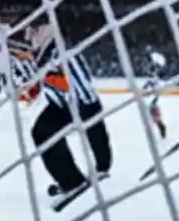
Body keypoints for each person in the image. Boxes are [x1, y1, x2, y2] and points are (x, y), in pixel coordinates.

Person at [19, 16, 113, 210]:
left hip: (80, 102)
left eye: (34, 31)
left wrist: (86, 106)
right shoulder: (41, 55)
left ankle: (102, 167)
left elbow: (83, 85)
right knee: (41, 132)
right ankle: (70, 181)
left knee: (93, 127)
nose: (29, 37)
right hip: (60, 105)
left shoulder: (62, 52)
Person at [141, 51, 170, 139]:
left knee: (154, 112)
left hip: (154, 98)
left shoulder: (156, 77)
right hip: (153, 97)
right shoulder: (153, 77)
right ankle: (159, 125)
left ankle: (160, 126)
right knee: (153, 113)